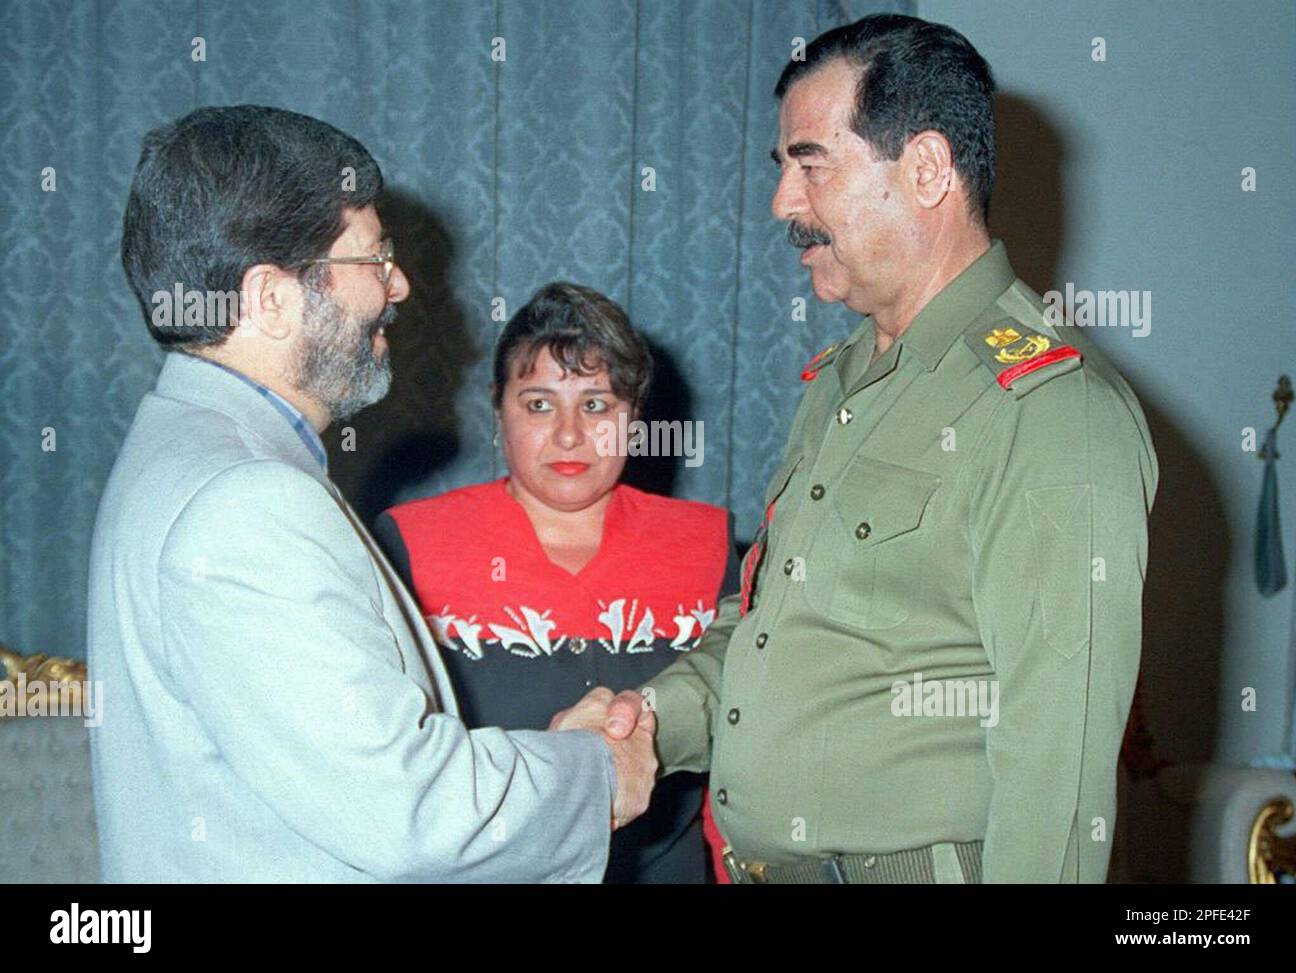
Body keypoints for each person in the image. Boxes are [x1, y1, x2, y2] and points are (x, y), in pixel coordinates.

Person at [593, 14, 1158, 883]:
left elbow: (1059, 768)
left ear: (927, 170)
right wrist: (647, 721)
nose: (783, 202)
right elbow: (772, 630)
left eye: (810, 164)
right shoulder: (843, 381)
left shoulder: (1050, 411)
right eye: (782, 168)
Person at [88, 105, 655, 883]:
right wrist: (594, 773)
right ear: (271, 298)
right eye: (373, 258)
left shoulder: (184, 445)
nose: (399, 284)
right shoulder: (244, 500)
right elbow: (409, 810)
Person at [374, 282, 738, 883]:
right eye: (539, 404)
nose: (569, 435)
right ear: (498, 408)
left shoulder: (709, 544)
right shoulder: (409, 544)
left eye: (596, 405)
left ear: (635, 418)